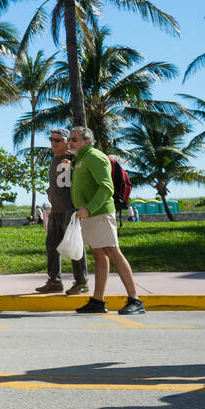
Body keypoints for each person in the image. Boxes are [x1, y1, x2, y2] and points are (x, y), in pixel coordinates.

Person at [68, 126, 144, 315]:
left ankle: (135, 300)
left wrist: (89, 208)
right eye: (69, 139)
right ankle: (98, 301)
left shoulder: (94, 156)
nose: (70, 143)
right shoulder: (81, 159)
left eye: (74, 139)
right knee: (99, 254)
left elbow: (106, 187)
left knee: (112, 251)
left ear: (87, 141)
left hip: (100, 213)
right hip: (90, 215)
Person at [36, 129, 88, 295]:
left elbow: (84, 178)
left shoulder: (74, 158)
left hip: (70, 210)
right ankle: (54, 281)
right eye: (51, 139)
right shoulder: (54, 159)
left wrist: (73, 168)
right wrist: (49, 192)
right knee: (51, 246)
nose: (53, 143)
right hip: (56, 210)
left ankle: (81, 282)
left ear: (67, 141)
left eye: (57, 140)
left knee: (74, 245)